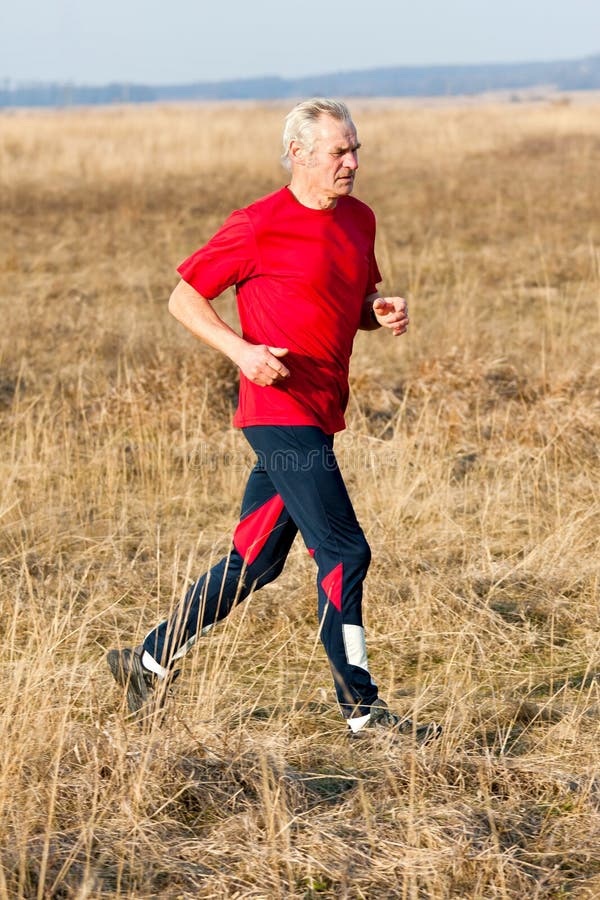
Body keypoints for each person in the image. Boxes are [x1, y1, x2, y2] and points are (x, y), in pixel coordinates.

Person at [107, 98, 441, 742]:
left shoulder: (359, 221)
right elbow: (184, 298)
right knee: (345, 550)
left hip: (321, 411)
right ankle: (363, 711)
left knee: (255, 560)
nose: (352, 162)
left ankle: (146, 661)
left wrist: (382, 310)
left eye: (355, 150)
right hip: (278, 412)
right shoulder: (258, 224)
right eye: (339, 152)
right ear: (299, 154)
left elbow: (355, 303)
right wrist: (242, 351)